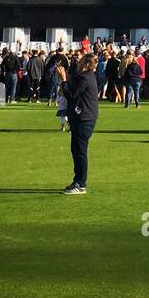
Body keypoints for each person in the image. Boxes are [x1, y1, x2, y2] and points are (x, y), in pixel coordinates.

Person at [58, 54, 99, 195]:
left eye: (80, 62)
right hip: (83, 118)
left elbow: (71, 95)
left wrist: (63, 80)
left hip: (84, 119)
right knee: (77, 151)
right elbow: (74, 83)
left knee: (80, 152)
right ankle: (78, 181)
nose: (78, 64)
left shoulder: (86, 78)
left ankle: (80, 183)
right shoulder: (86, 76)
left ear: (86, 65)